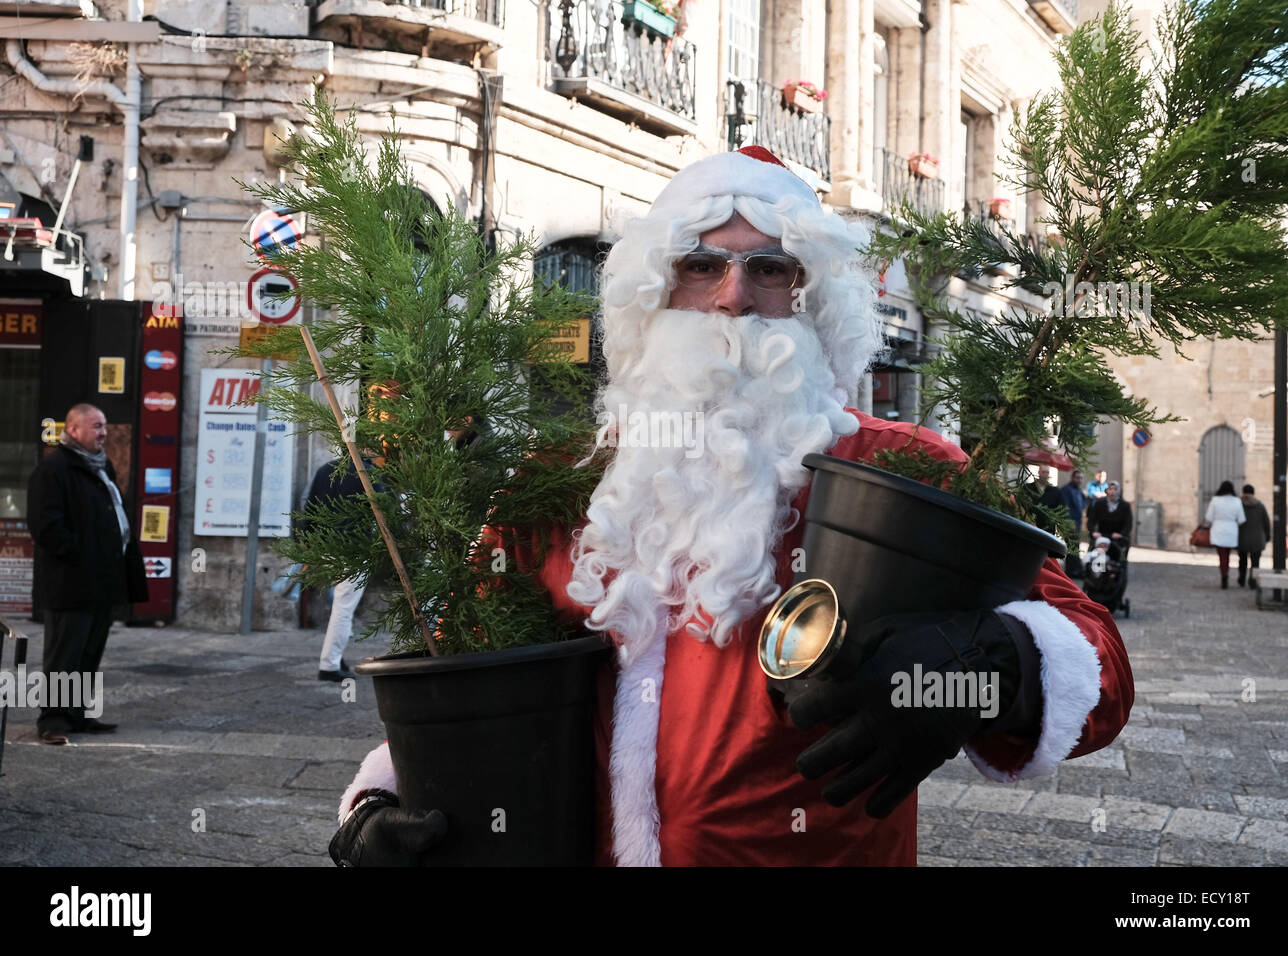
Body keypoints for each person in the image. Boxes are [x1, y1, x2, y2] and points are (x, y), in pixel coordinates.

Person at [328, 147, 1134, 866]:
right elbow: (467, 679)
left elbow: (1098, 670)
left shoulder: (907, 468)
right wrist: (388, 798)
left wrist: (989, 667)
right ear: (654, 290)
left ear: (809, 298)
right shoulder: (558, 480)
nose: (732, 298)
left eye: (769, 269)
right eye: (700, 265)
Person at [26, 403, 147, 745]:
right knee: (64, 655)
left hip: (102, 581)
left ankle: (78, 715)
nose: (104, 432)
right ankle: (53, 721)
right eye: (96, 426)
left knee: (89, 653)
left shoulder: (100, 466)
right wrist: (82, 553)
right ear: (74, 430)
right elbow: (46, 528)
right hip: (71, 583)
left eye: (105, 425)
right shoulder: (55, 470)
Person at [301, 458, 368, 681]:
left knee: (340, 603)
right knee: (344, 607)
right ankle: (329, 665)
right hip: (355, 550)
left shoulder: (324, 469)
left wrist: (305, 547)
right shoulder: (367, 472)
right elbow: (383, 511)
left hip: (327, 547)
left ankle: (335, 657)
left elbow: (309, 509)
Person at [1205, 480, 1247, 590]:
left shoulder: (1215, 500)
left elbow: (1209, 517)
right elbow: (1241, 519)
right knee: (1227, 555)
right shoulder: (1237, 501)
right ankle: (1225, 573)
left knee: (1222, 555)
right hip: (1231, 530)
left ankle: (1224, 575)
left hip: (1218, 529)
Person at [1237, 484, 1270, 588]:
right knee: (1255, 562)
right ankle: (1253, 581)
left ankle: (1242, 579)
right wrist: (1268, 536)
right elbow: (1267, 522)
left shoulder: (1239, 504)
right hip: (1257, 538)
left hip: (1242, 537)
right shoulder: (1260, 505)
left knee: (1242, 560)